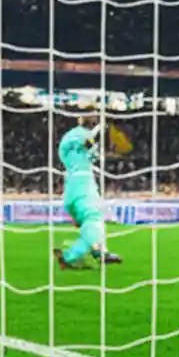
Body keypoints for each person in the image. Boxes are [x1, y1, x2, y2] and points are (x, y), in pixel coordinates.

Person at [54, 115, 122, 269]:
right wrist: (95, 141)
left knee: (94, 221)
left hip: (71, 187)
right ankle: (69, 257)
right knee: (94, 220)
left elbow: (72, 153)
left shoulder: (68, 139)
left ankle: (100, 252)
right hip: (83, 187)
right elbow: (90, 148)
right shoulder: (84, 135)